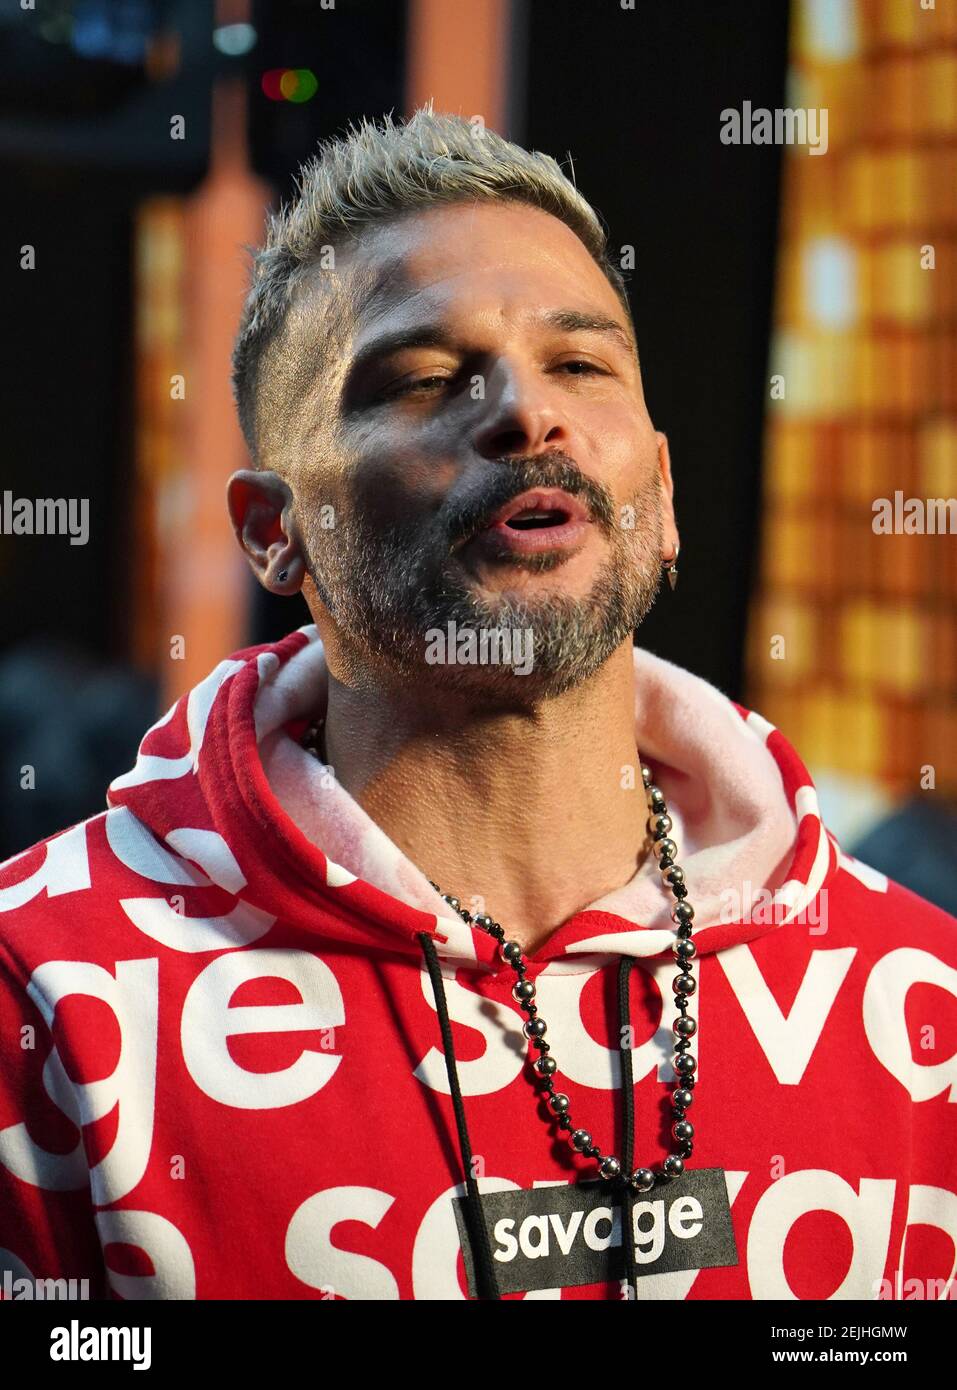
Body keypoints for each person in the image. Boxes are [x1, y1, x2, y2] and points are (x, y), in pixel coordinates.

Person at [1, 107, 954, 1303]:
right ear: (276, 532)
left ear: (659, 494)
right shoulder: (42, 994)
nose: (525, 412)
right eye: (424, 377)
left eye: (581, 362)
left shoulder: (922, 1001)